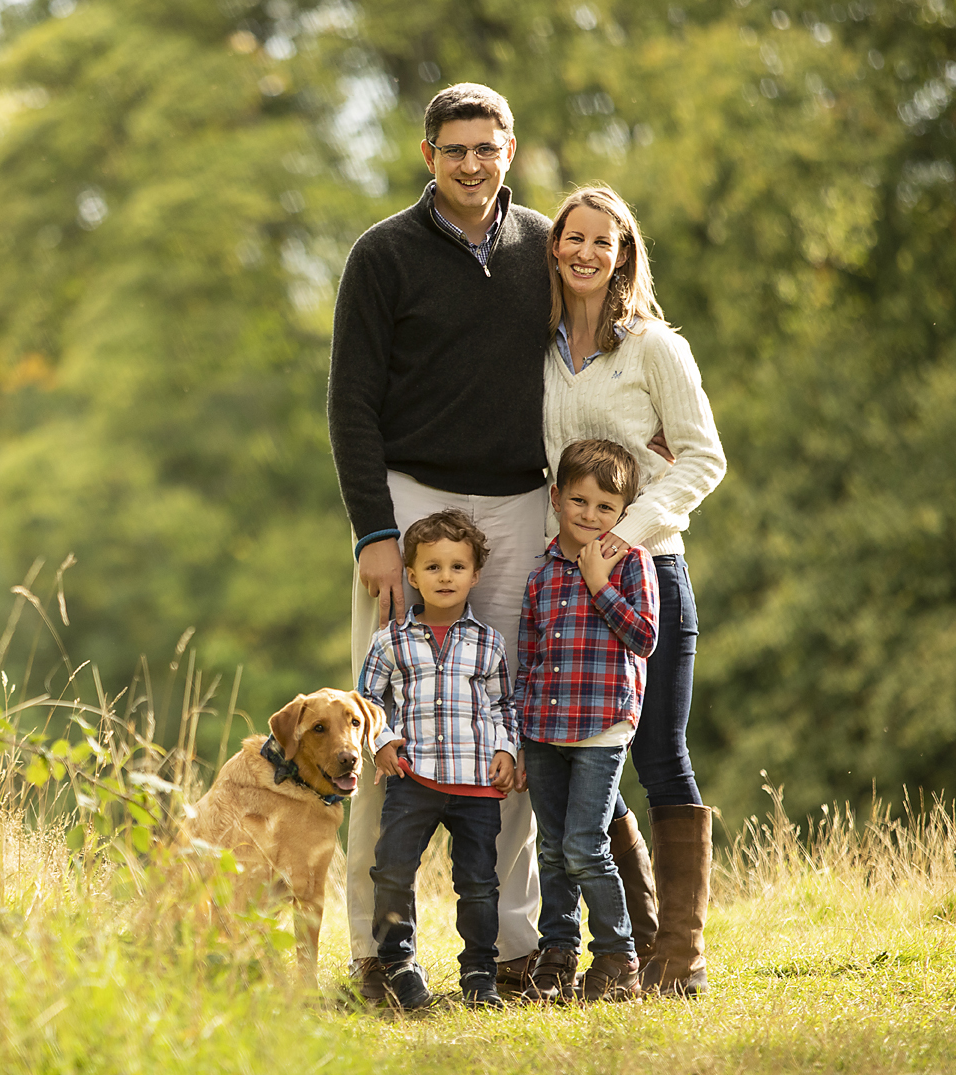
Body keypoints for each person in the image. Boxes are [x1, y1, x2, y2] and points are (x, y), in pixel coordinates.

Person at [327, 80, 550, 1003]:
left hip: (520, 506)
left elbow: (605, 340)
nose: (471, 164)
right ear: (429, 156)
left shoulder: (543, 244)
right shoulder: (381, 254)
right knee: (380, 725)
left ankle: (508, 949)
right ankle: (377, 951)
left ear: (509, 148)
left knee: (507, 727)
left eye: (485, 147)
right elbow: (350, 404)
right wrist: (376, 532)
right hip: (411, 501)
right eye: (453, 149)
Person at [541, 185, 727, 994]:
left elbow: (702, 457)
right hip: (564, 586)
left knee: (658, 756)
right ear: (554, 249)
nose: (584, 252)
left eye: (601, 241)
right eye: (571, 238)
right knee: (590, 763)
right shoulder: (539, 348)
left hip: (649, 572)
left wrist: (626, 533)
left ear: (622, 255)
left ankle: (678, 959)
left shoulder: (654, 347)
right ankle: (637, 944)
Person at [515, 439, 659, 1003]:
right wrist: (522, 737)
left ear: (622, 512)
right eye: (579, 501)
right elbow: (528, 662)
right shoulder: (541, 578)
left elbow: (644, 638)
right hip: (544, 729)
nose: (590, 515)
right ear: (556, 498)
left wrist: (599, 583)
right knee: (551, 846)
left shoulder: (632, 564)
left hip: (602, 725)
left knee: (584, 845)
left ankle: (617, 955)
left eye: (605, 507)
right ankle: (557, 954)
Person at [358, 510, 518, 1009]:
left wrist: (506, 749)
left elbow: (502, 706)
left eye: (456, 566)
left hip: (475, 782)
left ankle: (479, 972)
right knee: (392, 870)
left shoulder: (489, 642)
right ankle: (399, 964)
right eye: (432, 567)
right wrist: (380, 740)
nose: (444, 577)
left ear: (475, 575)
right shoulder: (390, 641)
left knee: (477, 881)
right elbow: (366, 701)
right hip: (413, 778)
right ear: (411, 575)